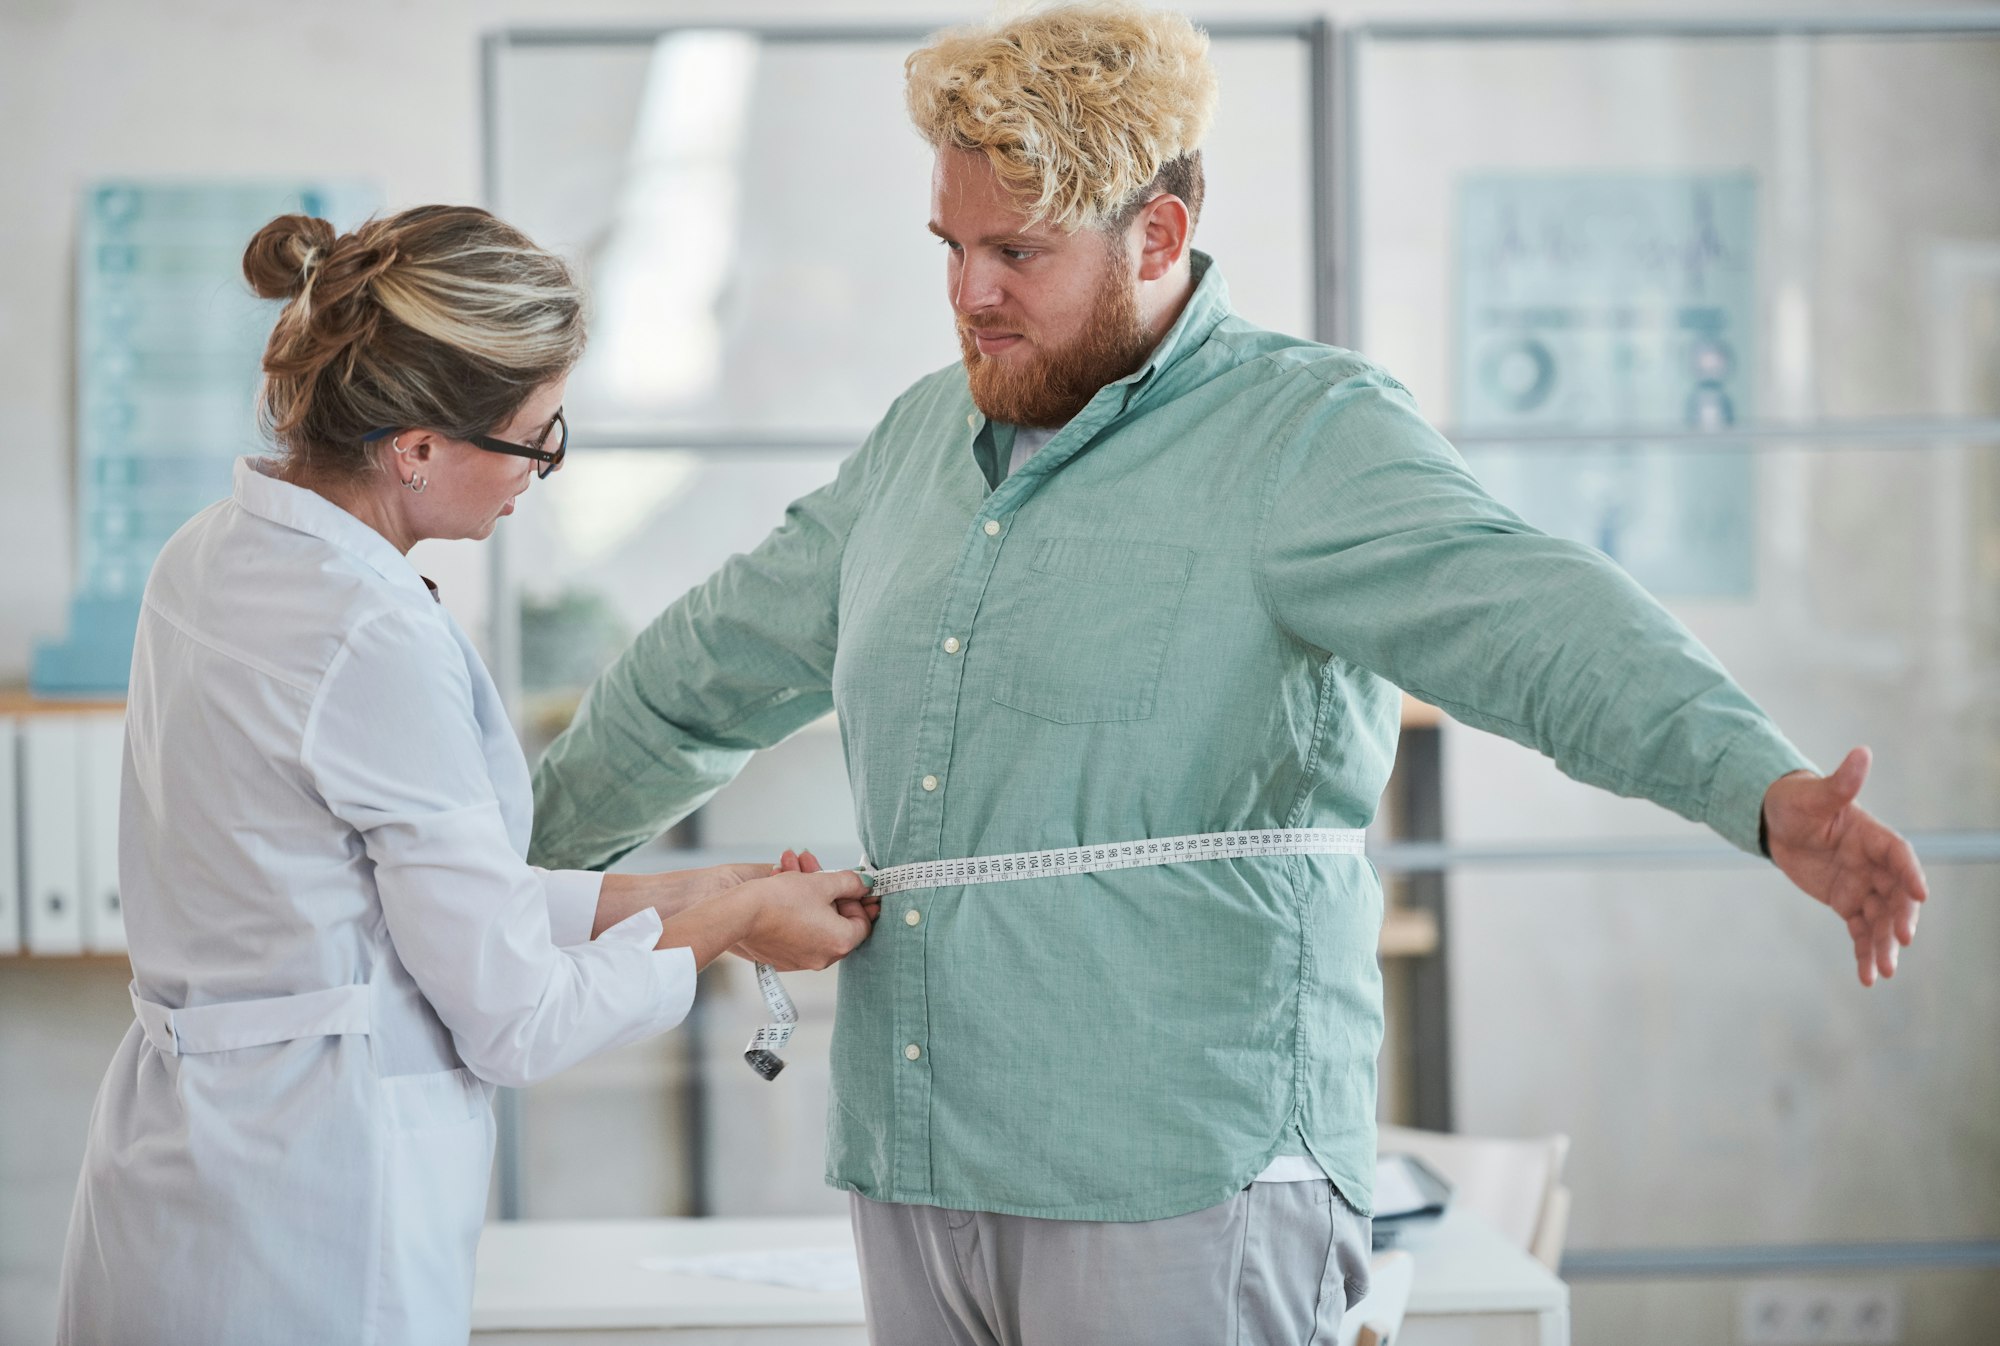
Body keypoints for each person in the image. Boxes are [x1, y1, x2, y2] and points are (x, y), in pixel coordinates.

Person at [527, 7, 1929, 1343]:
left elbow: (1537, 620)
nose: (968, 293)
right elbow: (695, 677)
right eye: (949, 246)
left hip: (1186, 1161)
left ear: (1161, 233)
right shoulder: (917, 444)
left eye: (1016, 252)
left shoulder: (1302, 434)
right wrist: (483, 874)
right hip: (919, 1152)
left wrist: (1757, 786)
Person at [55, 205, 876, 1346]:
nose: (540, 469)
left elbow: (406, 898)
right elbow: (515, 1019)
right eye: (533, 437)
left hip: (180, 1171)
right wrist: (731, 915)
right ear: (417, 447)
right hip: (314, 1212)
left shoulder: (211, 554)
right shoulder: (367, 634)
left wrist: (710, 895)